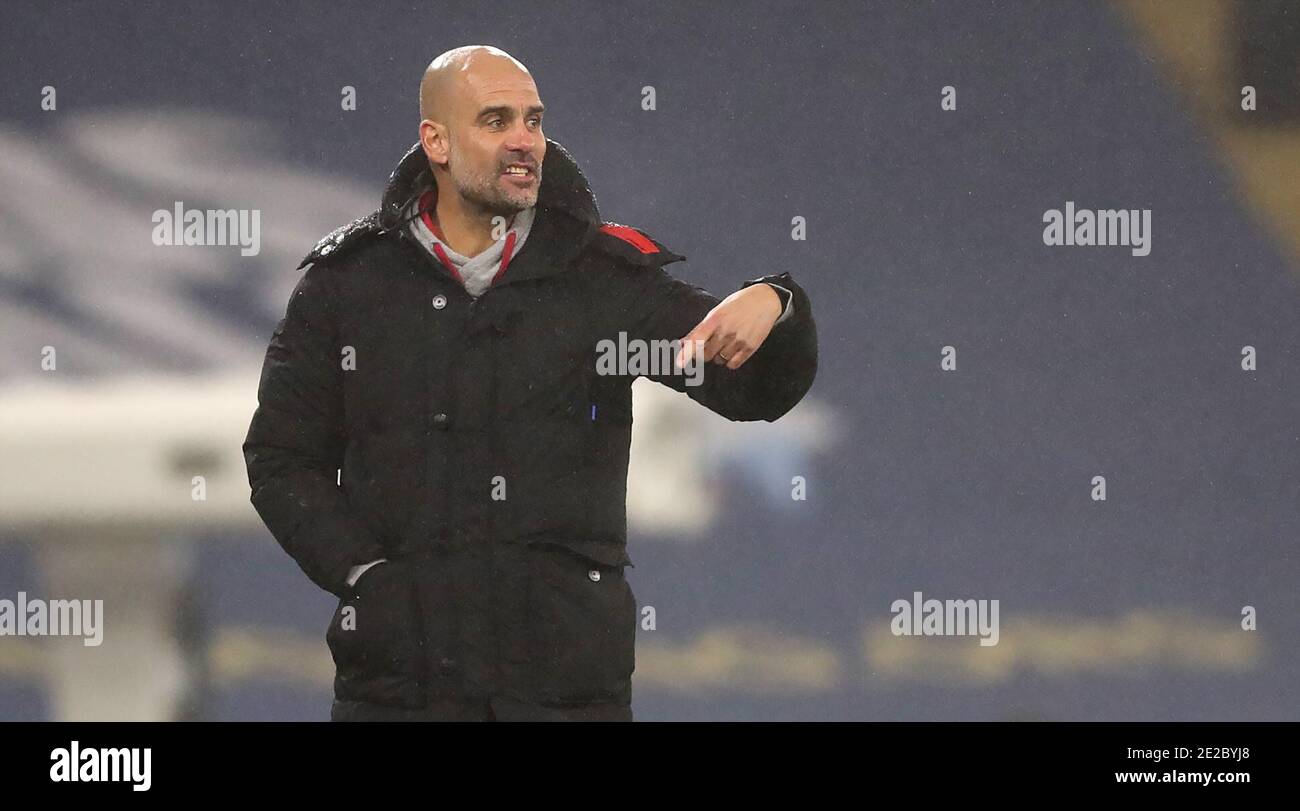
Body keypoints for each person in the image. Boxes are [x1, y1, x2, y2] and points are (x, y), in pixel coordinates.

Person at [242, 45, 818, 721]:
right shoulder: (349, 286)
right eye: (495, 120)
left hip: (564, 696)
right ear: (437, 141)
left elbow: (750, 388)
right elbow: (281, 459)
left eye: (533, 120)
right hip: (399, 694)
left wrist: (776, 304)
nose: (524, 140)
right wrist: (366, 577)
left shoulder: (597, 279)